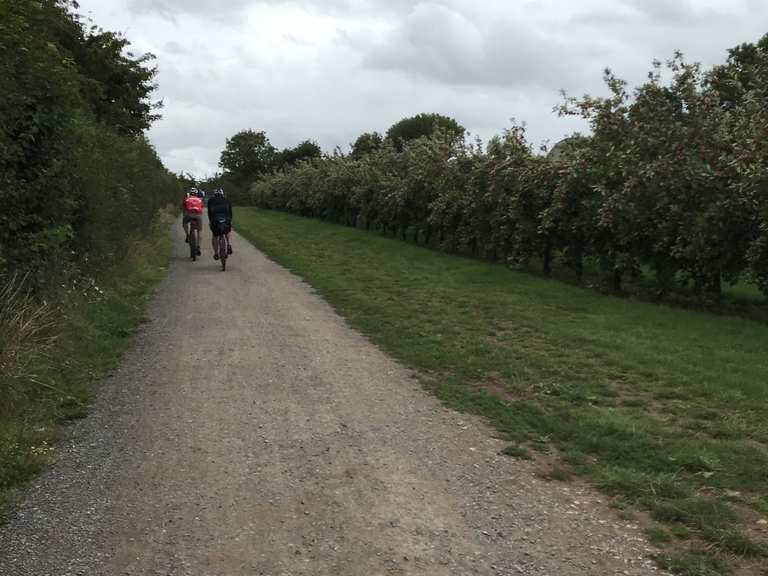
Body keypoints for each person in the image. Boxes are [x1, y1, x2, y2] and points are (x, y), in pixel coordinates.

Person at [207, 188, 233, 260]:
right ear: (222, 194)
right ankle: (228, 244)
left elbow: (209, 212)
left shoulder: (210, 200)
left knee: (215, 235)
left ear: (214, 194)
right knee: (227, 231)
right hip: (226, 219)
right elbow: (230, 212)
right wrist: (230, 220)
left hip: (215, 220)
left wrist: (210, 221)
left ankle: (216, 253)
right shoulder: (227, 200)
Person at [182, 189, 204, 255]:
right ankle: (198, 246)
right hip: (198, 216)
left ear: (190, 193)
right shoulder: (200, 199)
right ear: (196, 194)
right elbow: (201, 207)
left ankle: (187, 235)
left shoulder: (187, 199)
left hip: (188, 215)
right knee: (199, 231)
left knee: (184, 222)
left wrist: (184, 215)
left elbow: (184, 208)